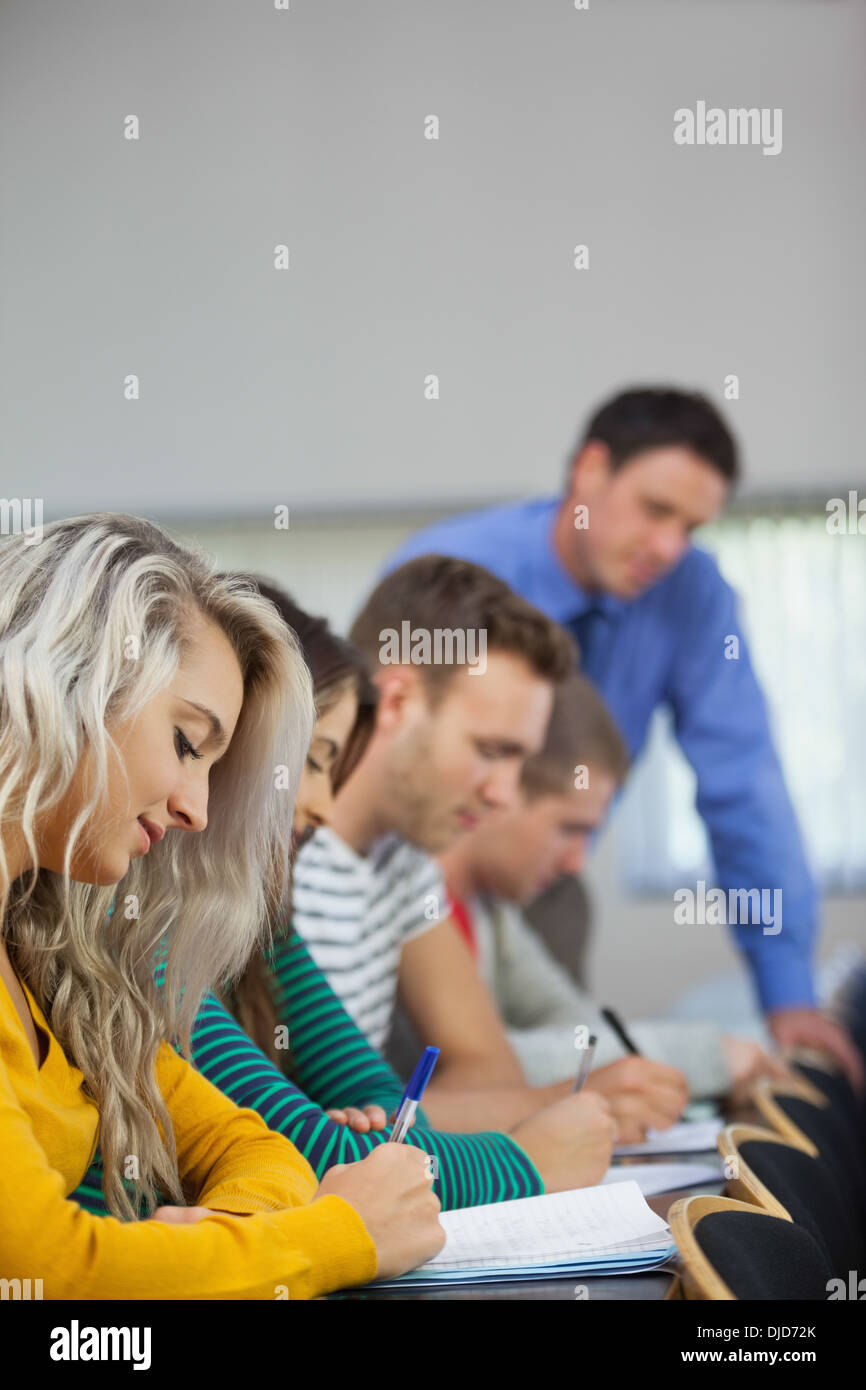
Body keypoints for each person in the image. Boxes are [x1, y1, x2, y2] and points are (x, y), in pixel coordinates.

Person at [0, 513, 444, 1300]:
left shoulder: (49, 964)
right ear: (66, 680)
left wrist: (236, 1242)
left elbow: (257, 1146)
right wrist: (340, 1236)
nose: (197, 811)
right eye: (185, 743)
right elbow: (52, 1273)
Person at [71, 583, 614, 1214]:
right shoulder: (124, 920)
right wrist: (528, 1162)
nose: (323, 806)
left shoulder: (259, 921)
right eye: (312, 760)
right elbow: (313, 1149)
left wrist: (367, 1144)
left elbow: (391, 1119)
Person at [385, 386, 863, 1089]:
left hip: (542, 883)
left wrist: (787, 990)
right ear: (590, 471)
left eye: (692, 527)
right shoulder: (453, 573)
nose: (670, 547)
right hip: (421, 873)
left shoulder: (694, 594)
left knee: (561, 1085)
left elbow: (744, 784)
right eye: (656, 510)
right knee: (438, 1077)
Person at [293, 555, 689, 1139]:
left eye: (520, 759)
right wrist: (560, 1101)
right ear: (398, 702)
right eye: (491, 749)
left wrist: (507, 1109)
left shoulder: (402, 862)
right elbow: (299, 1124)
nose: (504, 794)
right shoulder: (280, 857)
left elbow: (487, 1067)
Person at [436, 672, 790, 1110]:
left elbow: (578, 1028)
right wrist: (712, 1057)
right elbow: (467, 1070)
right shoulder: (414, 897)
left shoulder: (490, 911)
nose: (577, 862)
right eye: (570, 828)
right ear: (504, 789)